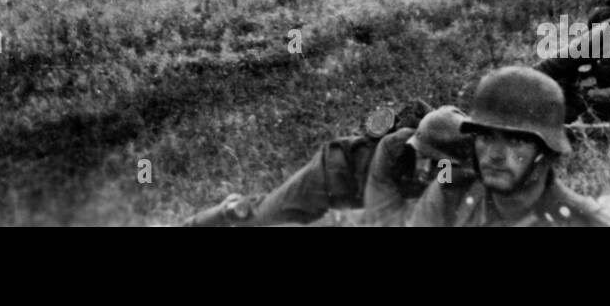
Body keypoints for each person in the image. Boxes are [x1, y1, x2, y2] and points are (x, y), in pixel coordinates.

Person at [407, 67, 610, 227]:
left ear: (546, 151)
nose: (495, 154)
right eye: (486, 137)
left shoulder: (585, 222)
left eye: (516, 141)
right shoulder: (449, 197)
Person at [182, 101, 474, 226]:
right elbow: (383, 217)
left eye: (437, 163)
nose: (427, 167)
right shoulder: (394, 148)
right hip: (332, 174)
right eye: (424, 157)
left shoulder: (458, 161)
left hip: (360, 197)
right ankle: (216, 215)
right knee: (262, 217)